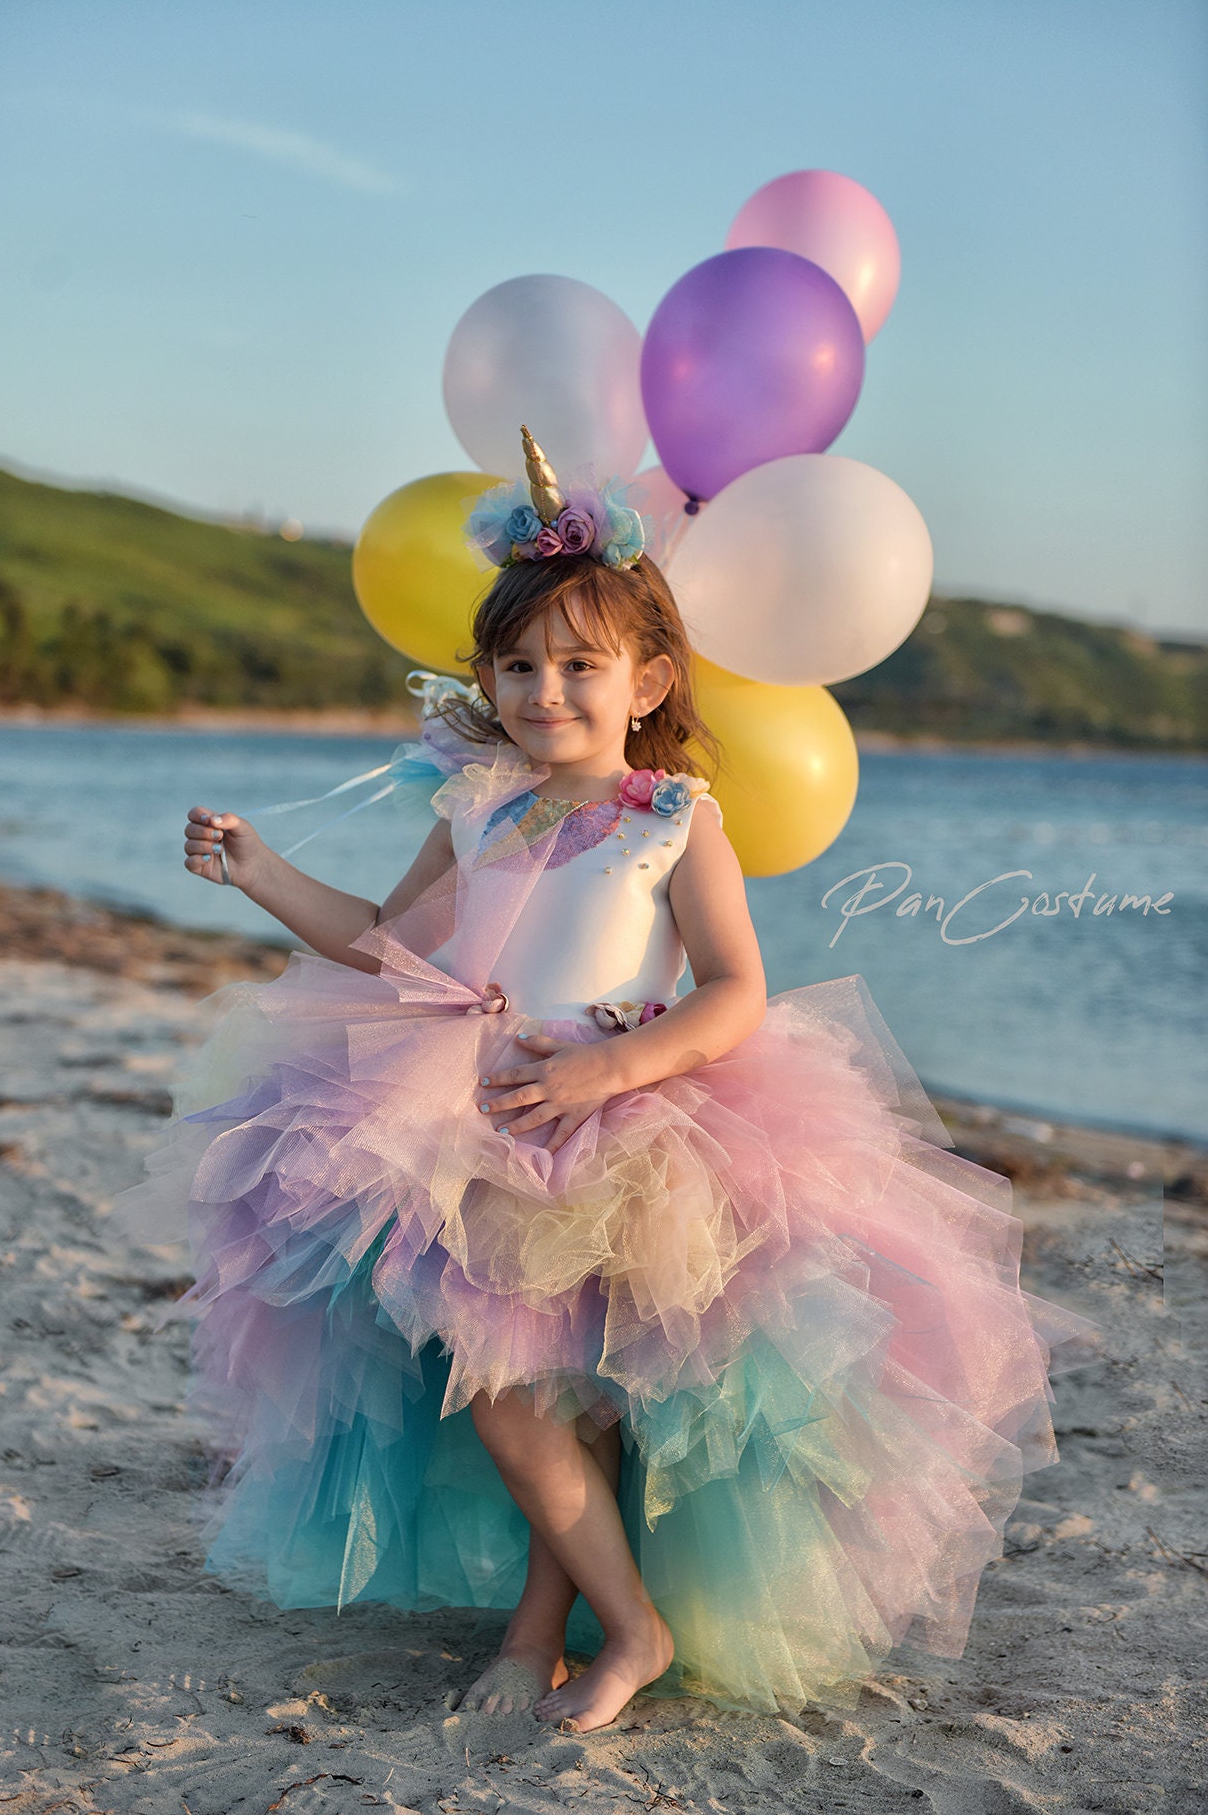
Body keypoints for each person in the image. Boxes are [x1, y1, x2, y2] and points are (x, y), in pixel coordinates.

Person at [117, 432, 1098, 1734]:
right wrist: (260, 870)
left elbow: (736, 987)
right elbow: (384, 944)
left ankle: (612, 1630)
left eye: (579, 664)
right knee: (522, 1393)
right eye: (516, 665)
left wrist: (611, 1064)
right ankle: (573, 1629)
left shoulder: (672, 817)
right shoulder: (478, 805)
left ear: (648, 681)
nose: (544, 690)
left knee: (559, 1396)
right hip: (470, 1117)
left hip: (632, 1118)